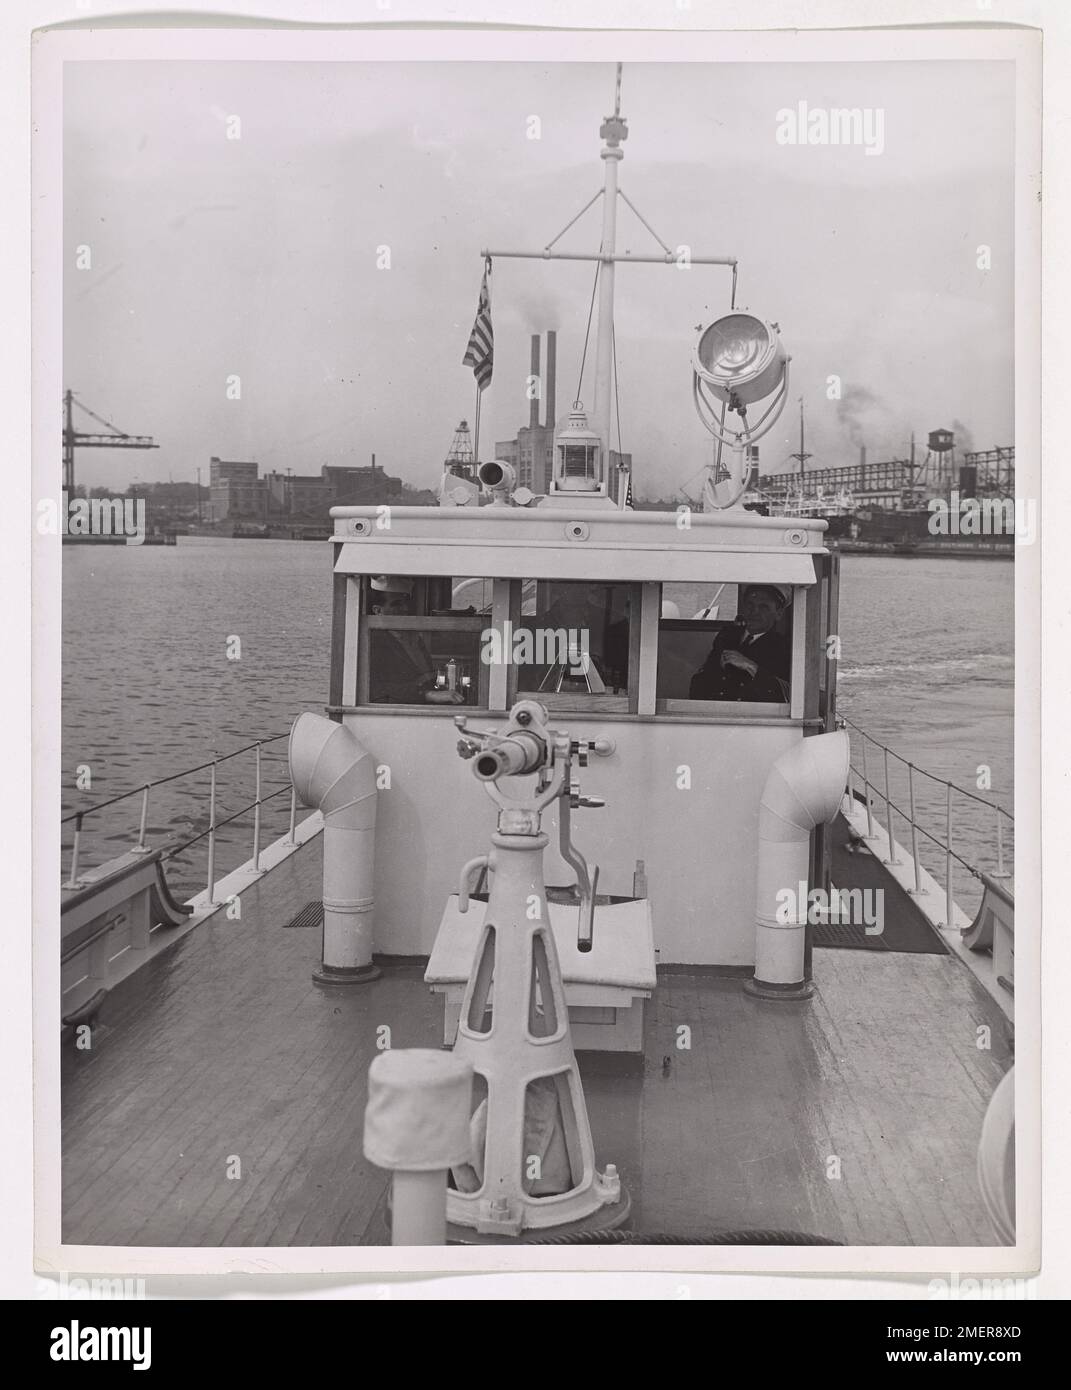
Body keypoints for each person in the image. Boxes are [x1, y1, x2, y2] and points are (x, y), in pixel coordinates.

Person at [367, 576, 466, 704]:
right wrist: (428, 695)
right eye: (397, 604)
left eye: (406, 603)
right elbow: (376, 688)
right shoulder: (374, 642)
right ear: (378, 611)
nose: (405, 609)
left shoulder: (415, 638)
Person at [689, 583, 791, 702]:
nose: (755, 612)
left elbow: (785, 694)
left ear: (778, 613)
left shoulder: (783, 648)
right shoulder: (727, 636)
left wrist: (751, 667)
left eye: (764, 607)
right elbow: (700, 681)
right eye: (750, 605)